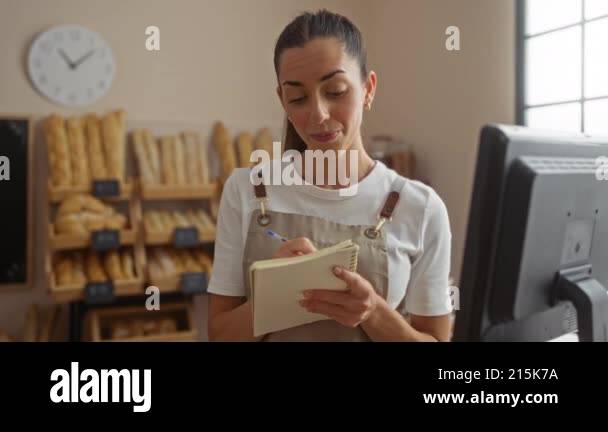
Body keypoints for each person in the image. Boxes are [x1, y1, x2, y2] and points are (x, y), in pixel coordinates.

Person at [207, 9, 453, 341]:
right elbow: (220, 334)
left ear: (368, 89)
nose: (318, 115)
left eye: (335, 91)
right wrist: (275, 293)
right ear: (282, 100)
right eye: (298, 98)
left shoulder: (420, 207)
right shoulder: (247, 190)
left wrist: (373, 312)